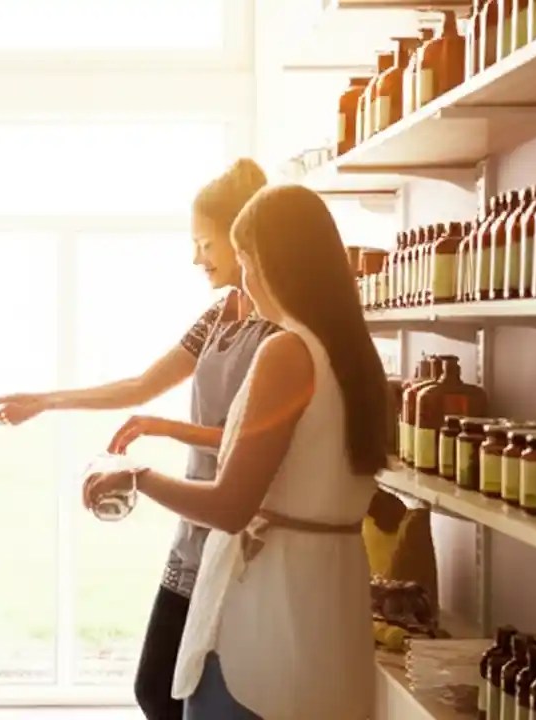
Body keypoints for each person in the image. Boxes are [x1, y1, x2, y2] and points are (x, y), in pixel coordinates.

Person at [82, 184, 388, 719]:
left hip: (267, 603)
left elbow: (231, 506)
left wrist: (137, 476)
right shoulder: (355, 358)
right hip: (333, 602)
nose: (244, 278)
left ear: (267, 263)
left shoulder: (286, 351)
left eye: (244, 260)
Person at [0, 159, 277, 720]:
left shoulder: (278, 329)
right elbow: (142, 385)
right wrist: (45, 401)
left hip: (245, 533)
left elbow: (257, 440)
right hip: (195, 522)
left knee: (192, 696)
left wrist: (163, 430)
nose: (197, 257)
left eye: (204, 243)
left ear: (242, 237)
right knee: (157, 688)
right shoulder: (221, 314)